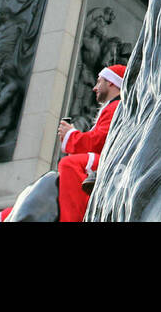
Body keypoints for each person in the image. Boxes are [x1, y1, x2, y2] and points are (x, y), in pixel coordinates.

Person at [54, 65, 124, 222]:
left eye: (99, 82)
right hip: (107, 159)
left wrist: (71, 136)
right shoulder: (112, 107)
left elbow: (100, 140)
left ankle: (74, 218)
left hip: (113, 162)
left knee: (69, 164)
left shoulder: (116, 107)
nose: (94, 88)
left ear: (112, 83)